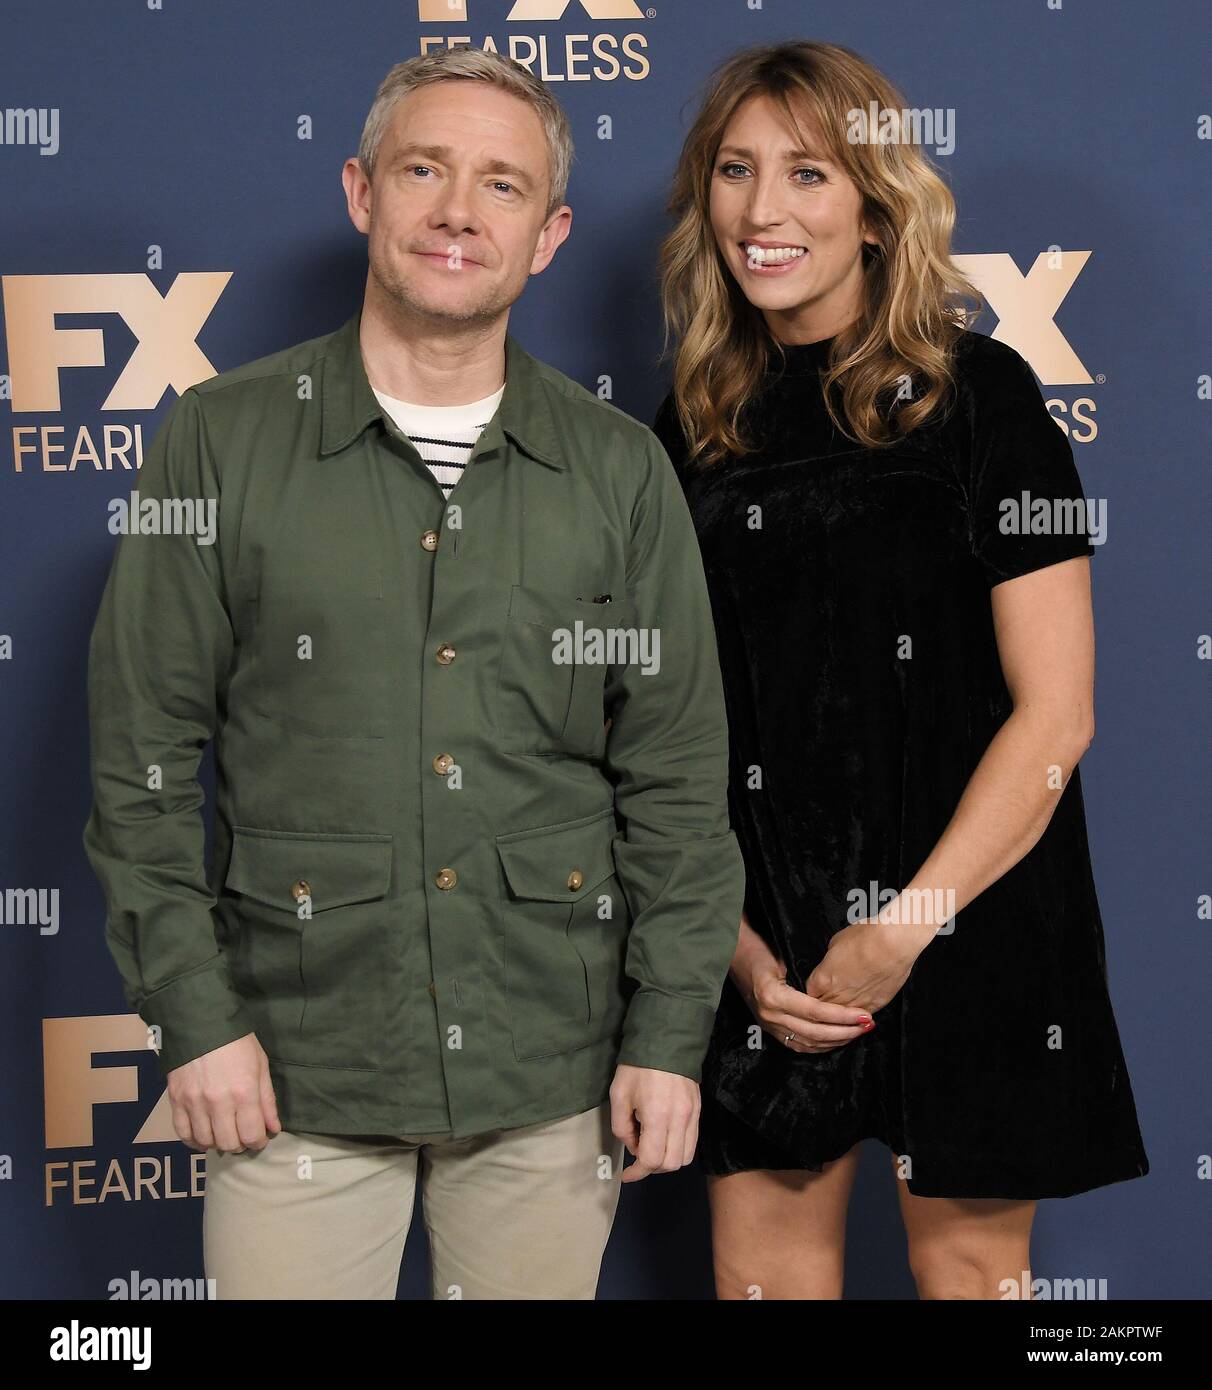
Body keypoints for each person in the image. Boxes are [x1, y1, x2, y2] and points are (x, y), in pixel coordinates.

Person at [82, 46, 745, 1300]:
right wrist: (195, 1017)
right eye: (424, 169)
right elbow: (144, 763)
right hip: (290, 1068)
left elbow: (672, 778)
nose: (457, 211)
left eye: (501, 187)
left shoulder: (618, 472)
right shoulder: (219, 443)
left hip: (550, 1073)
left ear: (546, 236)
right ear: (360, 192)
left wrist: (669, 1037)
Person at [651, 40, 1148, 1301]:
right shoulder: (685, 432)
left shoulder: (987, 398)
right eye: (735, 170)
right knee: (762, 1281)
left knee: (979, 1277)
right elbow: (660, 736)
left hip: (974, 928)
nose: (764, 212)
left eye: (808, 173)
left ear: (874, 206)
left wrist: (907, 926)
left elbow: (1058, 712)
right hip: (766, 947)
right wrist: (739, 952)